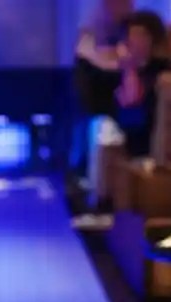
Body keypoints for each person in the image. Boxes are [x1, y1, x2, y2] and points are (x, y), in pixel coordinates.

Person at [70, 0, 134, 176]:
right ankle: (85, 177)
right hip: (93, 87)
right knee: (91, 130)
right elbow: (93, 54)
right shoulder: (93, 26)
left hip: (111, 96)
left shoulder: (127, 28)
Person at [115, 11, 171, 158]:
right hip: (127, 144)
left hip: (152, 144)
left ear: (152, 39)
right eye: (132, 34)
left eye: (140, 35)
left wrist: (130, 69)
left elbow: (134, 106)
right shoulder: (122, 70)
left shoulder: (162, 70)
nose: (134, 40)